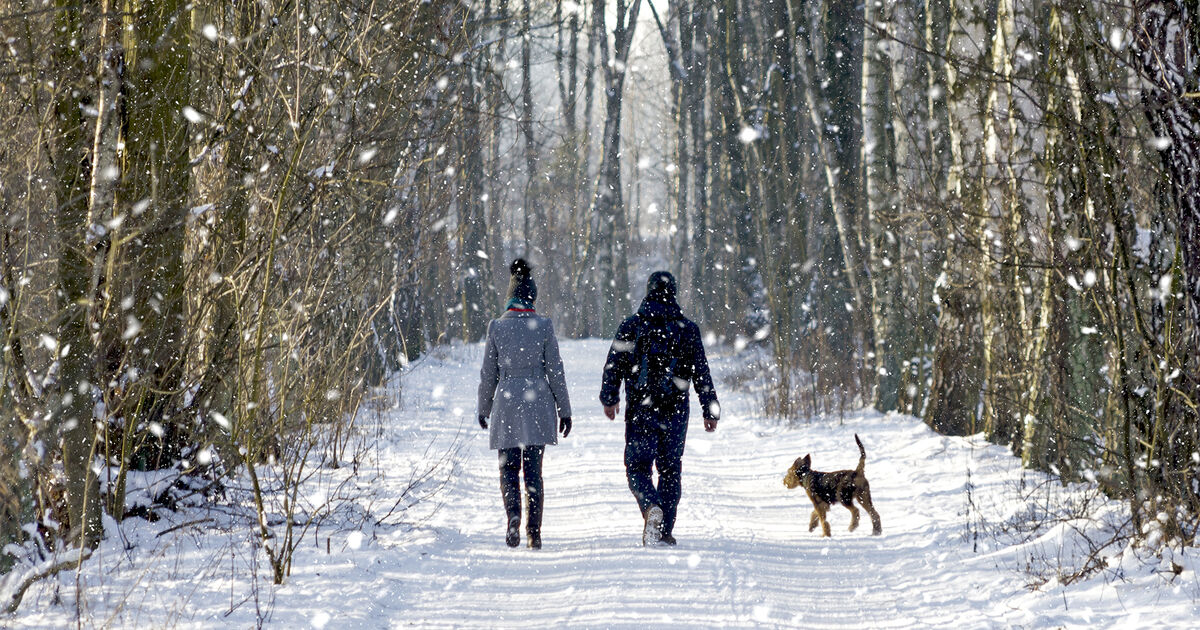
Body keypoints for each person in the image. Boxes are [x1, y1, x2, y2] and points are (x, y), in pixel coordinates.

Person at [600, 271, 719, 546]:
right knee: (670, 469)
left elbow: (613, 364)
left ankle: (650, 505)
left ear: (648, 291)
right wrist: (710, 410)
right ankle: (664, 530)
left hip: (641, 409)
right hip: (675, 411)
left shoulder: (632, 325)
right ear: (673, 293)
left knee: (637, 466)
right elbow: (702, 373)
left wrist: (610, 397)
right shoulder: (687, 330)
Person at [477, 259, 573, 549]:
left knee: (508, 469)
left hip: (506, 403)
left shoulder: (496, 327)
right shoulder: (543, 326)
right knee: (533, 471)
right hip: (537, 403)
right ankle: (534, 532)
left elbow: (488, 373)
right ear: (532, 296)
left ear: (510, 297)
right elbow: (555, 370)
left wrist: (484, 407)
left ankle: (513, 517)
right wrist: (564, 410)